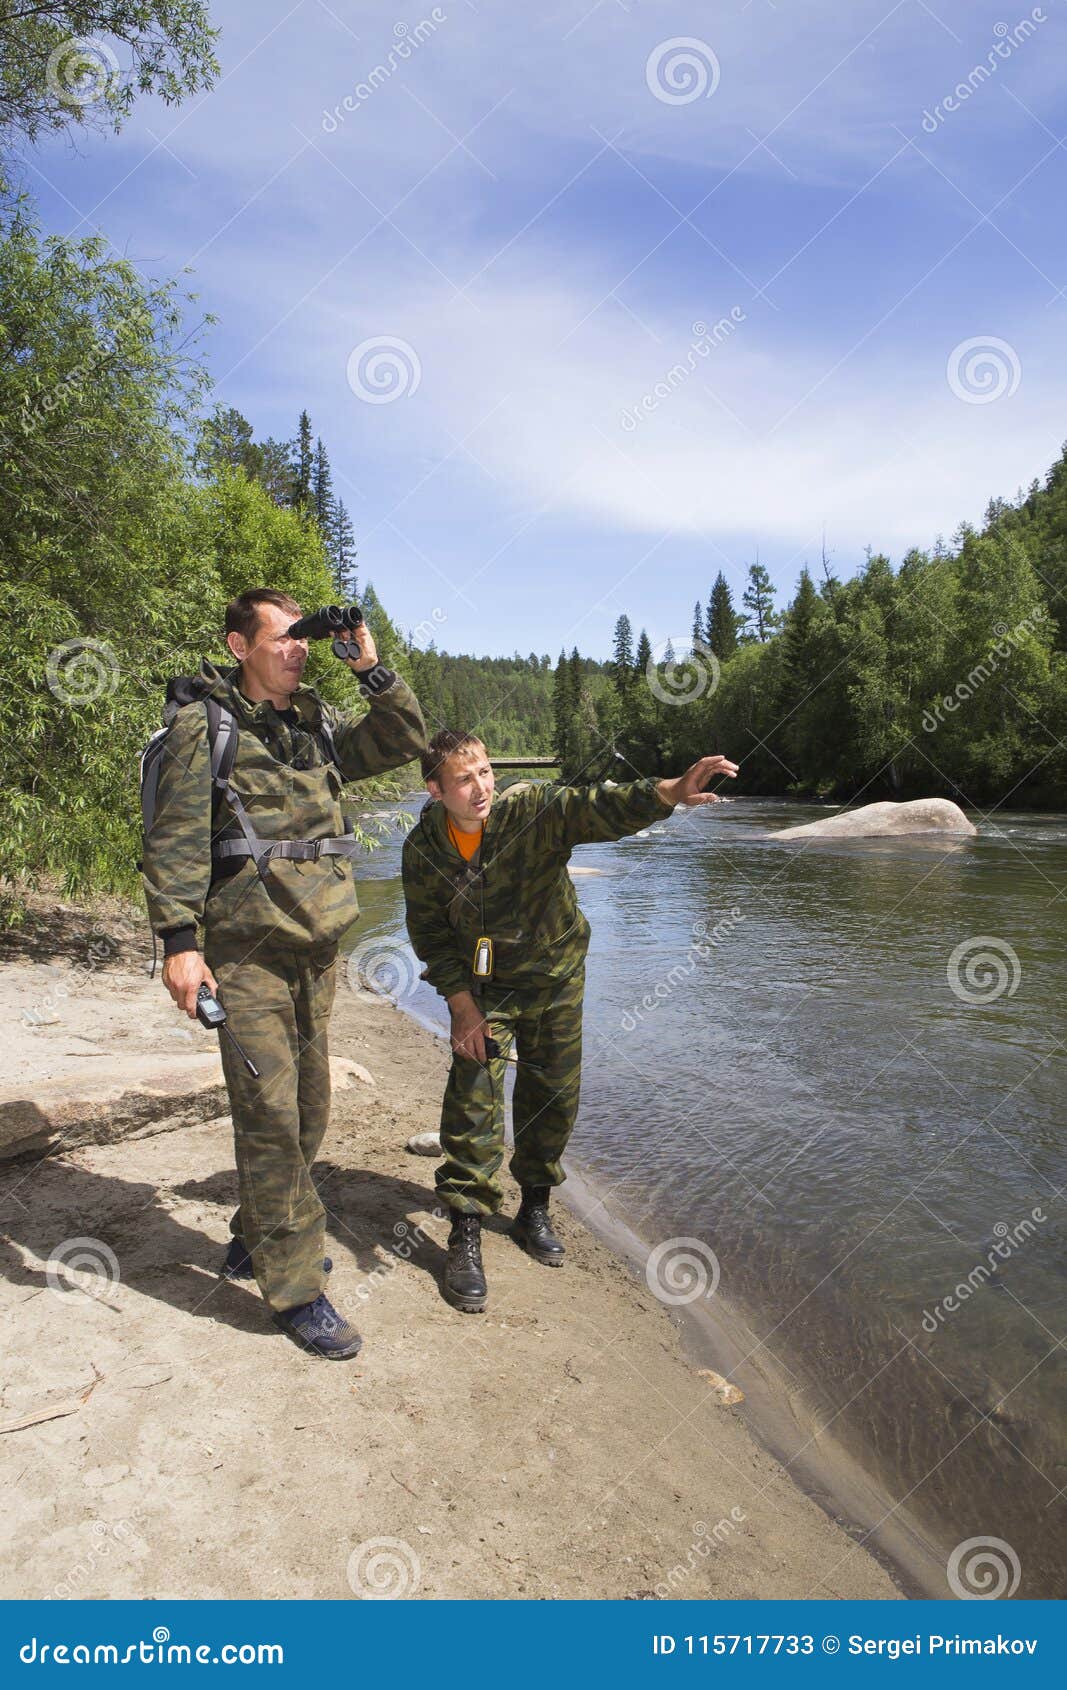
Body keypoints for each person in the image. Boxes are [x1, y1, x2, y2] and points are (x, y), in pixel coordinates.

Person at [141, 588, 428, 1360]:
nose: (299, 648)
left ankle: (253, 1238)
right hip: (244, 954)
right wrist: (178, 940)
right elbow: (173, 838)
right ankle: (295, 1289)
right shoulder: (206, 726)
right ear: (240, 647)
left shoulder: (316, 726)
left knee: (308, 1109)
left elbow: (407, 737)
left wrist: (367, 664)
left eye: (305, 637)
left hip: (317, 947)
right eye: (282, 637)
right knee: (269, 1116)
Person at [401, 730, 738, 1312]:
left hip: (555, 978)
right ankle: (465, 1231)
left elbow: (595, 807)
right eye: (464, 778)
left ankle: (534, 1206)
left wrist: (669, 792)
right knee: (472, 1093)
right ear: (435, 789)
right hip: (485, 990)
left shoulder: (531, 810)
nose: (481, 787)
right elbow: (429, 933)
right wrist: (461, 1005)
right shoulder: (422, 849)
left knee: (552, 1097)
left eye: (484, 771)